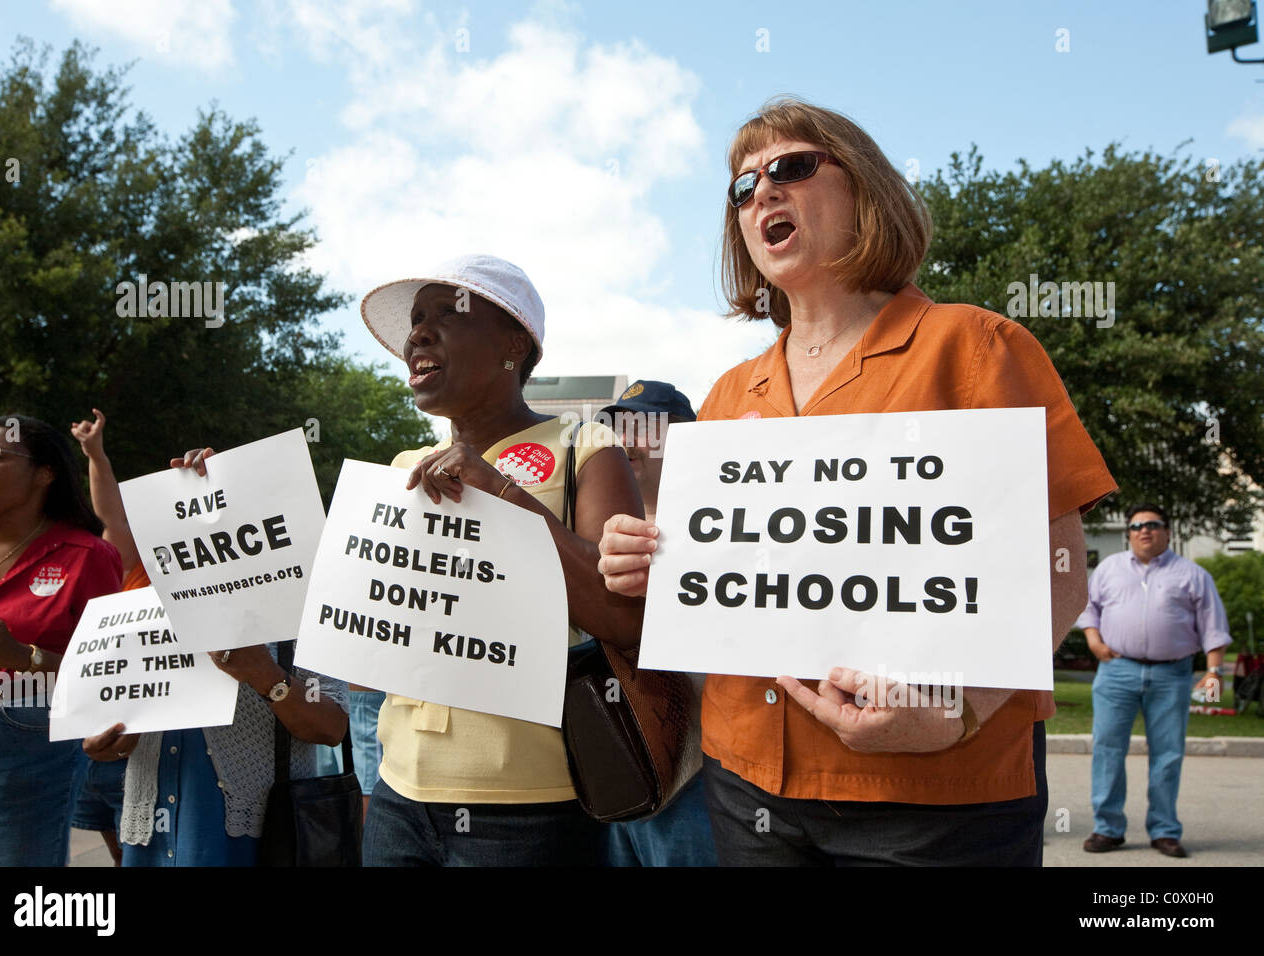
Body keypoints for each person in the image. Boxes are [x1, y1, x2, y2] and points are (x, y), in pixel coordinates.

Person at [598, 97, 1118, 866]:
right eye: (743, 187)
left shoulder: (975, 346)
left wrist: (957, 711)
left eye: (792, 168)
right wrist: (643, 562)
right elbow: (720, 582)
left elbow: (1060, 569)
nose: (763, 192)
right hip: (746, 787)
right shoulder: (728, 394)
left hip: (937, 795)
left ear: (865, 188)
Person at [358, 253, 644, 866]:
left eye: (446, 315)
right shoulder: (401, 470)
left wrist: (502, 493)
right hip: (397, 795)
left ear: (514, 344)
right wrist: (219, 496)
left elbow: (625, 622)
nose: (417, 335)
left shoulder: (583, 448)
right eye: (414, 320)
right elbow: (359, 643)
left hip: (527, 806)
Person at [83, 446, 349, 866]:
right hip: (154, 824)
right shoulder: (146, 606)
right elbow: (122, 723)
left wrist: (267, 677)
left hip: (254, 836)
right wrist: (113, 741)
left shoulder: (300, 606)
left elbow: (332, 726)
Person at [0, 415, 122, 866]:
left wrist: (23, 656)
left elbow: (112, 670)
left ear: (44, 473)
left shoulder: (88, 556)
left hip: (24, 752)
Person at [599, 380, 717, 867]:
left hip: (696, 775)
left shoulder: (726, 522)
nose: (626, 440)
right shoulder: (601, 522)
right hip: (618, 764)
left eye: (644, 427)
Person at [1078, 503, 1231, 859]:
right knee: (1107, 749)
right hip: (1117, 671)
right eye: (1136, 526)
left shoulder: (1193, 575)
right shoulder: (1108, 569)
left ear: (1167, 530)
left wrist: (1213, 672)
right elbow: (1089, 608)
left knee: (1167, 754)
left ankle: (1164, 830)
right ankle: (1108, 828)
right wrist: (1094, 641)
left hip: (1172, 674)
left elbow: (1213, 627)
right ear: (1129, 533)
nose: (1144, 530)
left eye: (1152, 524)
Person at [68, 408, 146, 865]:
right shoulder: (125, 558)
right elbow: (110, 512)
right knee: (120, 849)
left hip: (145, 734)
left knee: (140, 845)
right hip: (97, 727)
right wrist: (95, 452)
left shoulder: (198, 575)